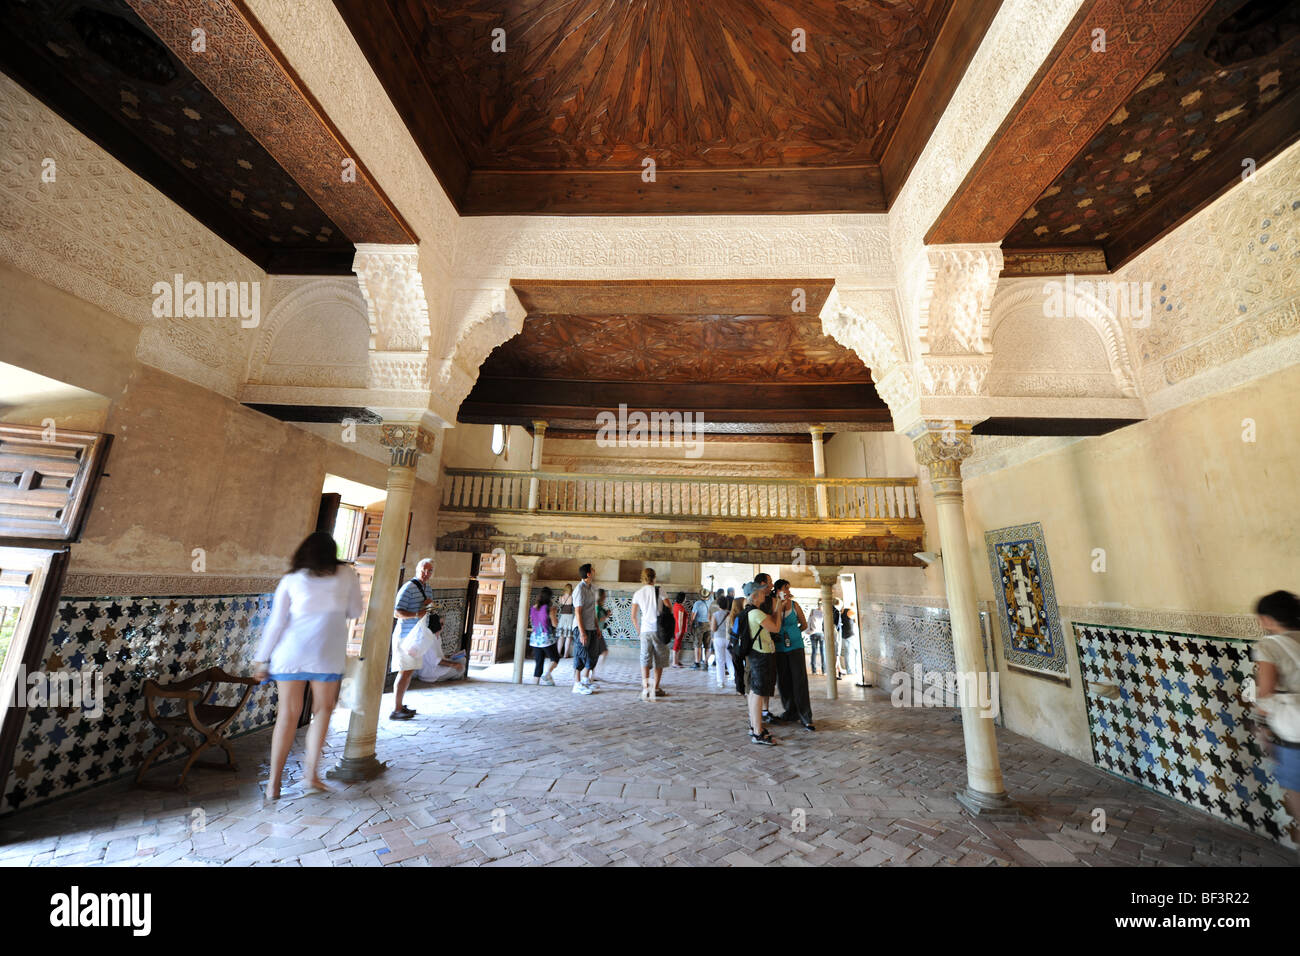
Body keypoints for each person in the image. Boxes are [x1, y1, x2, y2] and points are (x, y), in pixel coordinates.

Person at [252, 531, 363, 800]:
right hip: (326, 654)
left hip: (290, 653)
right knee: (323, 710)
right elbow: (355, 612)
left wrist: (261, 658)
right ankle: (311, 775)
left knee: (287, 716)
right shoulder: (346, 574)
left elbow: (276, 622)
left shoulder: (291, 579)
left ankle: (273, 785)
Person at [1252, 590, 1300, 847]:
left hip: (1295, 732)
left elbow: (1266, 694)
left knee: (1297, 790)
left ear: (1268, 619)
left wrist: (1260, 726)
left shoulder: (1268, 646)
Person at [390, 557, 436, 720]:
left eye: (429, 570)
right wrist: (417, 614)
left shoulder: (428, 589)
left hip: (417, 637)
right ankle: (396, 710)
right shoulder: (408, 587)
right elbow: (396, 612)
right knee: (404, 671)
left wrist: (430, 608)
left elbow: (427, 611)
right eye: (424, 569)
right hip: (405, 636)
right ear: (417, 570)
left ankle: (400, 705)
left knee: (408, 671)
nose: (426, 573)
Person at [743, 575, 787, 745]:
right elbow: (775, 627)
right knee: (758, 693)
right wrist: (778, 609)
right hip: (761, 656)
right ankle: (758, 732)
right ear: (754, 596)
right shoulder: (756, 613)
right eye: (761, 593)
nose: (764, 595)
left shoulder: (749, 611)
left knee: (755, 692)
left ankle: (754, 726)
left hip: (756, 655)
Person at [771, 579, 814, 730]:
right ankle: (790, 711)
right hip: (779, 649)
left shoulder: (795, 606)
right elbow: (771, 623)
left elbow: (804, 624)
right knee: (783, 681)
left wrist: (793, 633)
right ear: (777, 591)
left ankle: (805, 715)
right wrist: (779, 606)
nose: (788, 592)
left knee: (799, 680)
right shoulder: (772, 604)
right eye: (785, 589)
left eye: (789, 589)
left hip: (795, 647)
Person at [631, 567, 670, 700]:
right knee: (659, 659)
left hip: (645, 631)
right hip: (659, 630)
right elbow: (669, 608)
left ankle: (646, 689)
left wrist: (638, 631)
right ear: (654, 578)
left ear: (642, 578)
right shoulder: (660, 590)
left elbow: (633, 616)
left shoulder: (638, 593)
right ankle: (656, 688)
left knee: (645, 660)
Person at [571, 564, 599, 695]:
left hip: (591, 627)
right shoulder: (580, 589)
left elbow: (592, 610)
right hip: (581, 628)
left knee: (592, 654)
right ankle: (576, 684)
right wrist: (582, 632)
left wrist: (597, 627)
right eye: (592, 569)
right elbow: (578, 612)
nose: (594, 571)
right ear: (588, 573)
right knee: (580, 654)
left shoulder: (591, 588)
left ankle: (585, 679)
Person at [528, 587, 560, 685]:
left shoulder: (533, 608)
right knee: (555, 658)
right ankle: (547, 674)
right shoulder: (548, 609)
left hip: (534, 639)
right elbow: (555, 624)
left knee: (539, 663)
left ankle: (535, 684)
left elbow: (532, 621)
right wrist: (554, 613)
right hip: (546, 639)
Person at [711, 596, 734, 688]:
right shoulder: (731, 614)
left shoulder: (715, 614)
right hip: (729, 638)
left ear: (718, 605)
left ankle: (721, 681)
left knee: (720, 660)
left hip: (718, 638)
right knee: (730, 659)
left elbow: (713, 628)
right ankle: (733, 677)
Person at [593, 588, 612, 680]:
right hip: (596, 633)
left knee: (601, 652)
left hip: (599, 632)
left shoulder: (600, 607)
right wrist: (605, 616)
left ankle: (594, 673)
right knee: (602, 652)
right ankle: (594, 673)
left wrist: (606, 615)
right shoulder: (597, 607)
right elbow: (596, 619)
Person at [691, 592, 711, 669]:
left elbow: (693, 617)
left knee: (697, 644)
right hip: (709, 625)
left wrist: (691, 625)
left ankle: (697, 662)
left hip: (700, 625)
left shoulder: (697, 603)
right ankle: (706, 663)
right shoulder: (710, 602)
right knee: (707, 645)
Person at [807, 604, 826, 676]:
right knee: (823, 652)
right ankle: (824, 671)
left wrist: (808, 631)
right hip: (821, 633)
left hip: (812, 633)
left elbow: (808, 622)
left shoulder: (812, 611)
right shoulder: (823, 613)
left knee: (814, 652)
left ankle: (814, 670)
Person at [556, 584, 575, 658]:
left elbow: (561, 605)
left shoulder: (561, 598)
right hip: (569, 617)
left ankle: (558, 653)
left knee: (561, 636)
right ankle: (565, 654)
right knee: (568, 637)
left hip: (562, 617)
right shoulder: (571, 597)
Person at [671, 592, 689, 667]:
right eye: (685, 598)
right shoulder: (680, 607)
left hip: (676, 627)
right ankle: (674, 662)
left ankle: (676, 661)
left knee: (678, 644)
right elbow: (680, 620)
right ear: (682, 598)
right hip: (679, 627)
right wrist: (680, 630)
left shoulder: (675, 605)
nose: (686, 599)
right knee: (676, 645)